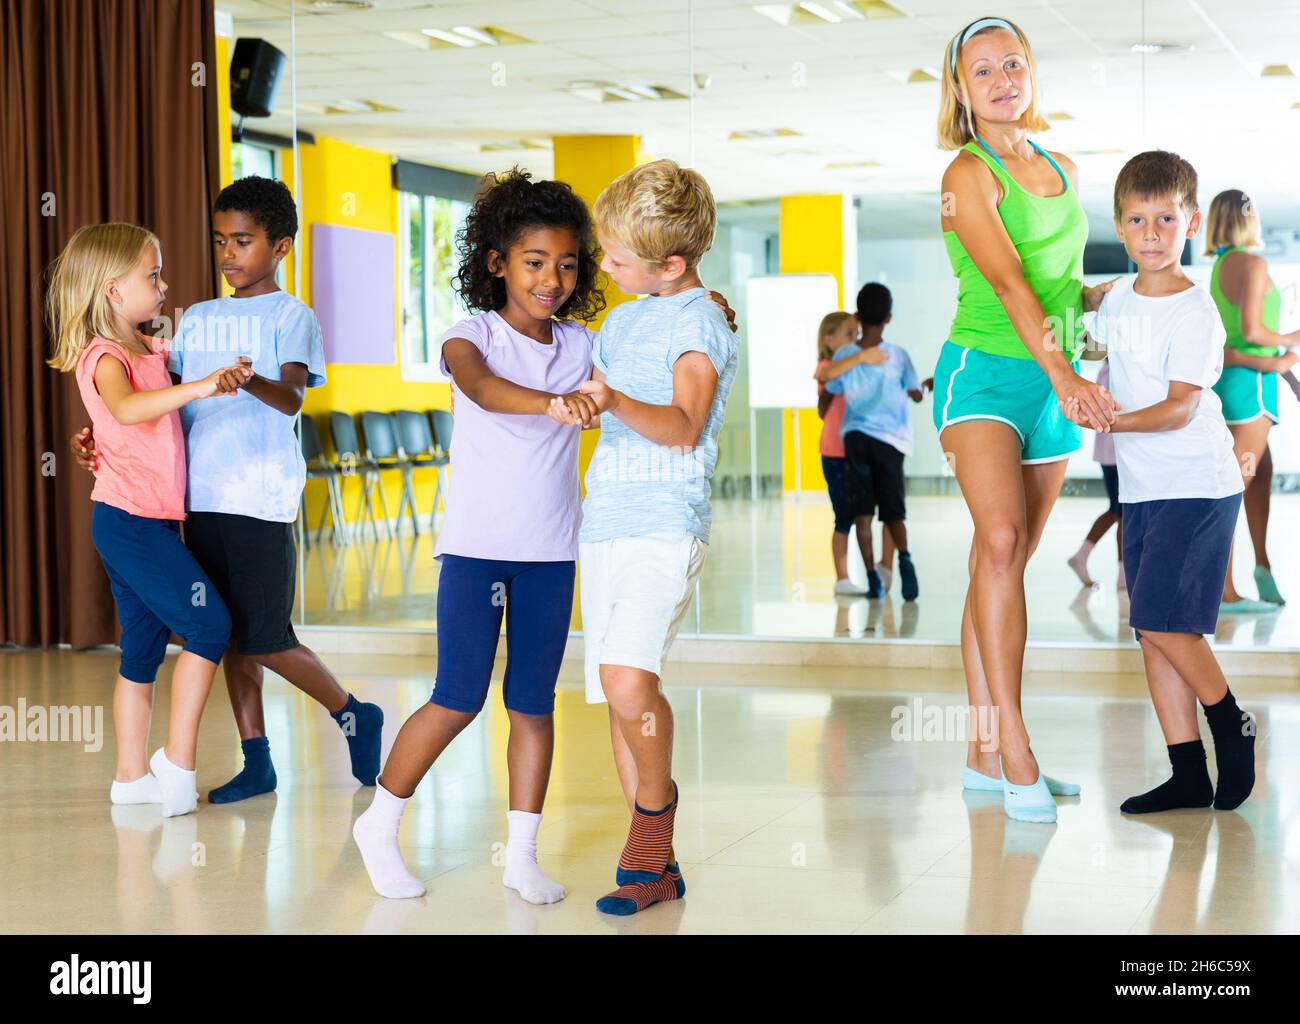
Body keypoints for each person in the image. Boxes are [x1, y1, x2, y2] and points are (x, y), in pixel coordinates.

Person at [73, 176, 385, 803]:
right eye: (220, 241)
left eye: (243, 241)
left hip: (258, 499)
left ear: (281, 247)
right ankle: (257, 758)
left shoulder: (293, 317)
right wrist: (102, 432)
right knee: (233, 633)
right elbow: (150, 399)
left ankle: (353, 713)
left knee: (266, 637)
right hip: (195, 501)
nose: (228, 255)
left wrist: (245, 381)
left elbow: (292, 396)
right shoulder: (195, 319)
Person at [351, 170, 602, 902]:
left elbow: (642, 361)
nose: (552, 278)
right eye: (534, 262)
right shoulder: (472, 336)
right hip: (476, 551)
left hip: (552, 555)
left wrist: (697, 305)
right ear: (497, 262)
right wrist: (555, 402)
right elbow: (483, 389)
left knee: (533, 703)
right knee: (458, 697)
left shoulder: (585, 344)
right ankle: (381, 821)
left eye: (566, 263)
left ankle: (522, 857)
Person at [932, 16, 1115, 822]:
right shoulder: (965, 174)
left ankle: (980, 751)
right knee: (1000, 543)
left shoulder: (1063, 166)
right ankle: (1014, 747)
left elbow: (1058, 284)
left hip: (1053, 380)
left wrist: (1103, 302)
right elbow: (1007, 286)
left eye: (1013, 63)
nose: (1003, 79)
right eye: (983, 71)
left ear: (1031, 71)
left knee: (1001, 562)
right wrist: (1067, 372)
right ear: (962, 92)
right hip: (985, 377)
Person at [548, 158, 738, 914]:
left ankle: (652, 833)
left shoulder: (701, 322)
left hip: (665, 522)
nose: (604, 265)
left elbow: (684, 429)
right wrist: (583, 406)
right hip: (607, 526)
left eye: (618, 257)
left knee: (631, 682)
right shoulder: (623, 318)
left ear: (673, 264)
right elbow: (602, 396)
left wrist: (616, 400)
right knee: (620, 702)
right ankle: (656, 866)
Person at [1067, 150, 1255, 813]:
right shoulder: (1116, 297)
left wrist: (1108, 416)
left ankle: (1231, 722)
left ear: (1192, 222)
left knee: (1160, 619)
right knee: (1151, 630)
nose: (1150, 233)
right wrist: (1079, 382)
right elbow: (1088, 344)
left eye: (1165, 219)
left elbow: (1179, 407)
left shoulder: (1196, 311)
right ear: (1119, 226)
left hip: (1197, 483)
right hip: (1145, 487)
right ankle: (1187, 773)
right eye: (1137, 219)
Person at [48, 222, 247, 816]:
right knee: (210, 627)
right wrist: (203, 388)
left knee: (140, 650)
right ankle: (175, 760)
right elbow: (129, 410)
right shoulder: (105, 354)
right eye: (152, 275)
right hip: (127, 521)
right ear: (112, 290)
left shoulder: (144, 347)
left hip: (148, 522)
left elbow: (131, 420)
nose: (163, 286)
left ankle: (130, 777)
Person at [1203, 189, 1300, 612]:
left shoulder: (1222, 265)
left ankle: (1262, 567)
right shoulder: (1254, 263)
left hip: (1238, 383)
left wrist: (1285, 367)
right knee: (1233, 485)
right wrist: (1292, 342)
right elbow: (1255, 331)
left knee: (1259, 477)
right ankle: (1222, 591)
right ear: (1249, 218)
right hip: (1251, 392)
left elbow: (1240, 336)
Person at [821, 283, 930, 600]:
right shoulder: (897, 356)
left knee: (863, 513)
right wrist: (920, 388)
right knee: (894, 512)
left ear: (857, 316)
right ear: (889, 318)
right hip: (892, 443)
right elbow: (914, 394)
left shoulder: (844, 355)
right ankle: (904, 561)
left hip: (855, 439)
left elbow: (829, 387)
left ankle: (872, 576)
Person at [815, 311, 867, 594]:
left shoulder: (855, 367)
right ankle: (842, 578)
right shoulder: (827, 365)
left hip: (857, 449)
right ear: (828, 339)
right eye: (848, 335)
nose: (855, 341)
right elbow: (829, 375)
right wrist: (859, 355)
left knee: (861, 514)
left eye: (856, 335)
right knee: (843, 515)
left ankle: (866, 572)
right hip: (835, 452)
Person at [1066, 358, 1124, 589]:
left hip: (1112, 453)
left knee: (1118, 510)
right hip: (1116, 453)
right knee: (1123, 512)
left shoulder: (1109, 370)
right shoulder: (1115, 372)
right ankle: (1123, 575)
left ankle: (1082, 556)